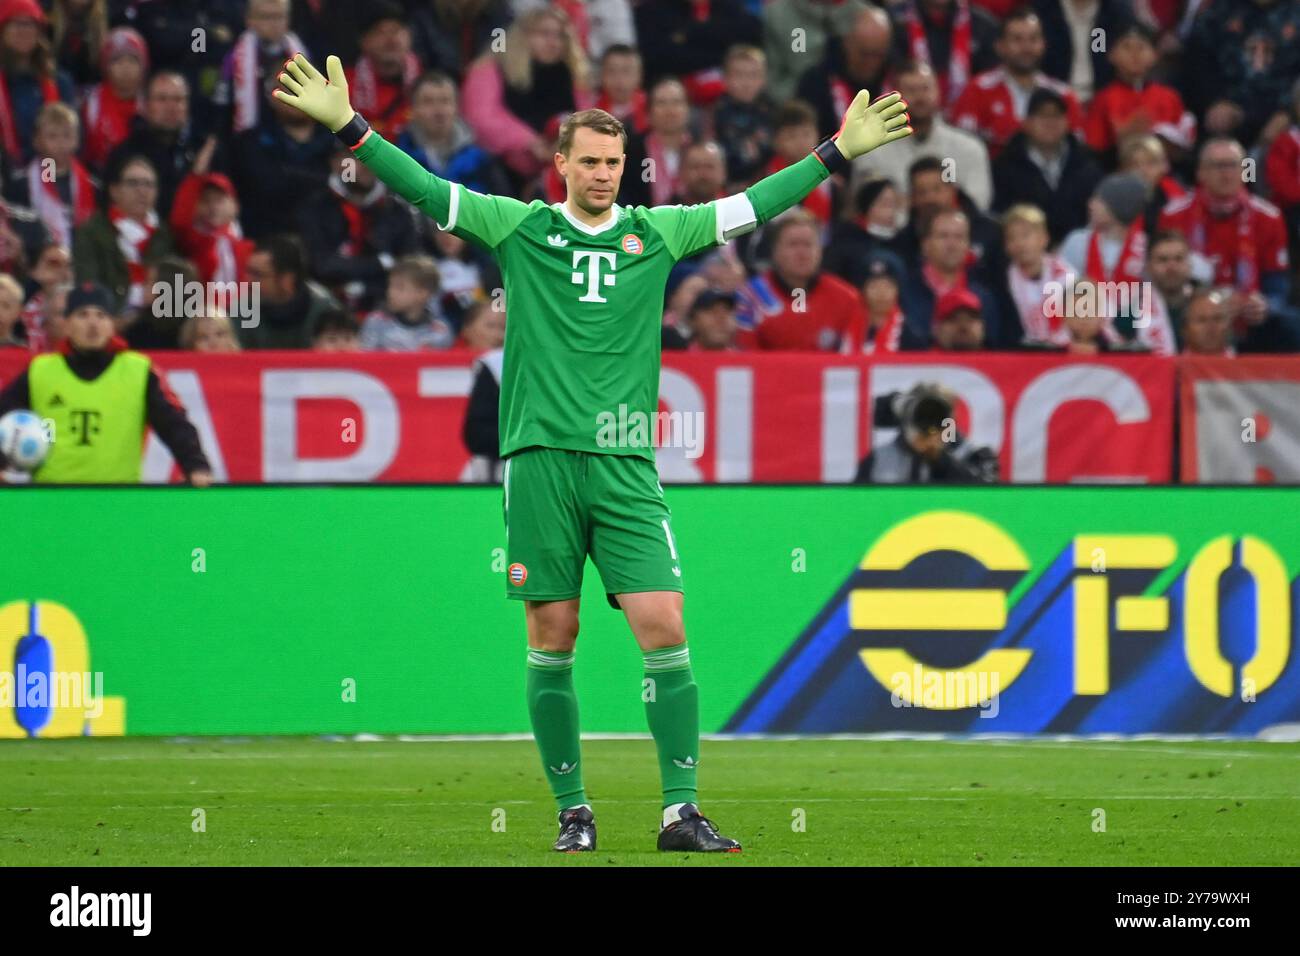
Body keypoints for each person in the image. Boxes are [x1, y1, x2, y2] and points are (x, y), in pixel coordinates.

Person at [274, 51, 910, 851]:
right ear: (562, 165)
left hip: (624, 462)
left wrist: (837, 151)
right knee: (554, 635)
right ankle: (574, 811)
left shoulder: (659, 231)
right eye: (592, 162)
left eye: (616, 162)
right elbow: (425, 191)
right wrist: (349, 126)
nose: (605, 174)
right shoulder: (519, 226)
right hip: (540, 458)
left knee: (663, 622)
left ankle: (680, 811)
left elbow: (751, 207)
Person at [0, 280, 213, 484]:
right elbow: (4, 417)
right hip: (51, 498)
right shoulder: (42, 370)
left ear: (113, 324)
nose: (93, 323)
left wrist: (196, 466)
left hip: (118, 500)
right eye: (82, 315)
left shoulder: (138, 370)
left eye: (101, 315)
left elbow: (174, 423)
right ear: (67, 324)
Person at [854, 382, 998, 482]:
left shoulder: (976, 456)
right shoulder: (878, 459)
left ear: (952, 417)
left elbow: (988, 501)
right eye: (923, 414)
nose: (930, 422)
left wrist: (940, 458)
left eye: (938, 413)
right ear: (908, 414)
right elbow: (855, 507)